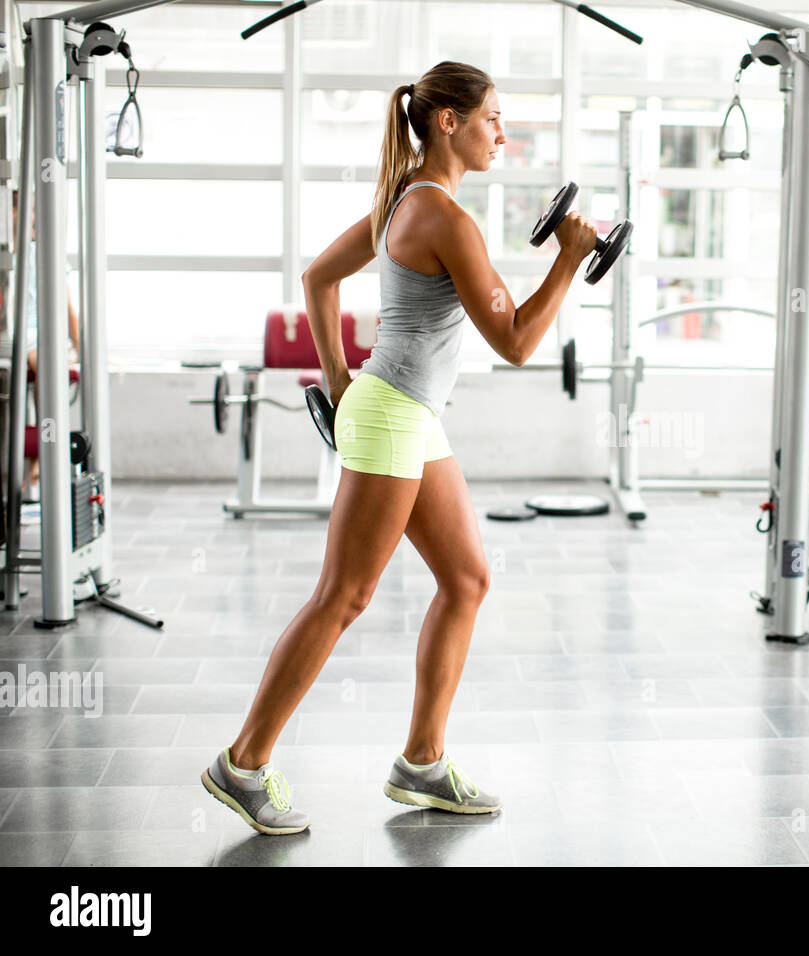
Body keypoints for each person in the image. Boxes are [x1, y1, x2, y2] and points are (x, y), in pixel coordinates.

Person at [201, 61, 597, 835]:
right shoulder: (442, 216)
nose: (502, 135)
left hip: (407, 412)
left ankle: (421, 761)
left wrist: (342, 378)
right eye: (492, 119)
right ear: (447, 121)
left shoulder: (403, 200)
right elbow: (516, 341)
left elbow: (318, 279)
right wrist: (569, 260)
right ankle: (242, 764)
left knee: (467, 577)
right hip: (393, 417)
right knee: (343, 597)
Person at [12, 190, 81, 503]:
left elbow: (66, 308)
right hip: (15, 332)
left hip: (36, 334)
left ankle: (42, 452)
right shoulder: (9, 256)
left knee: (43, 359)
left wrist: (82, 350)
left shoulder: (42, 254)